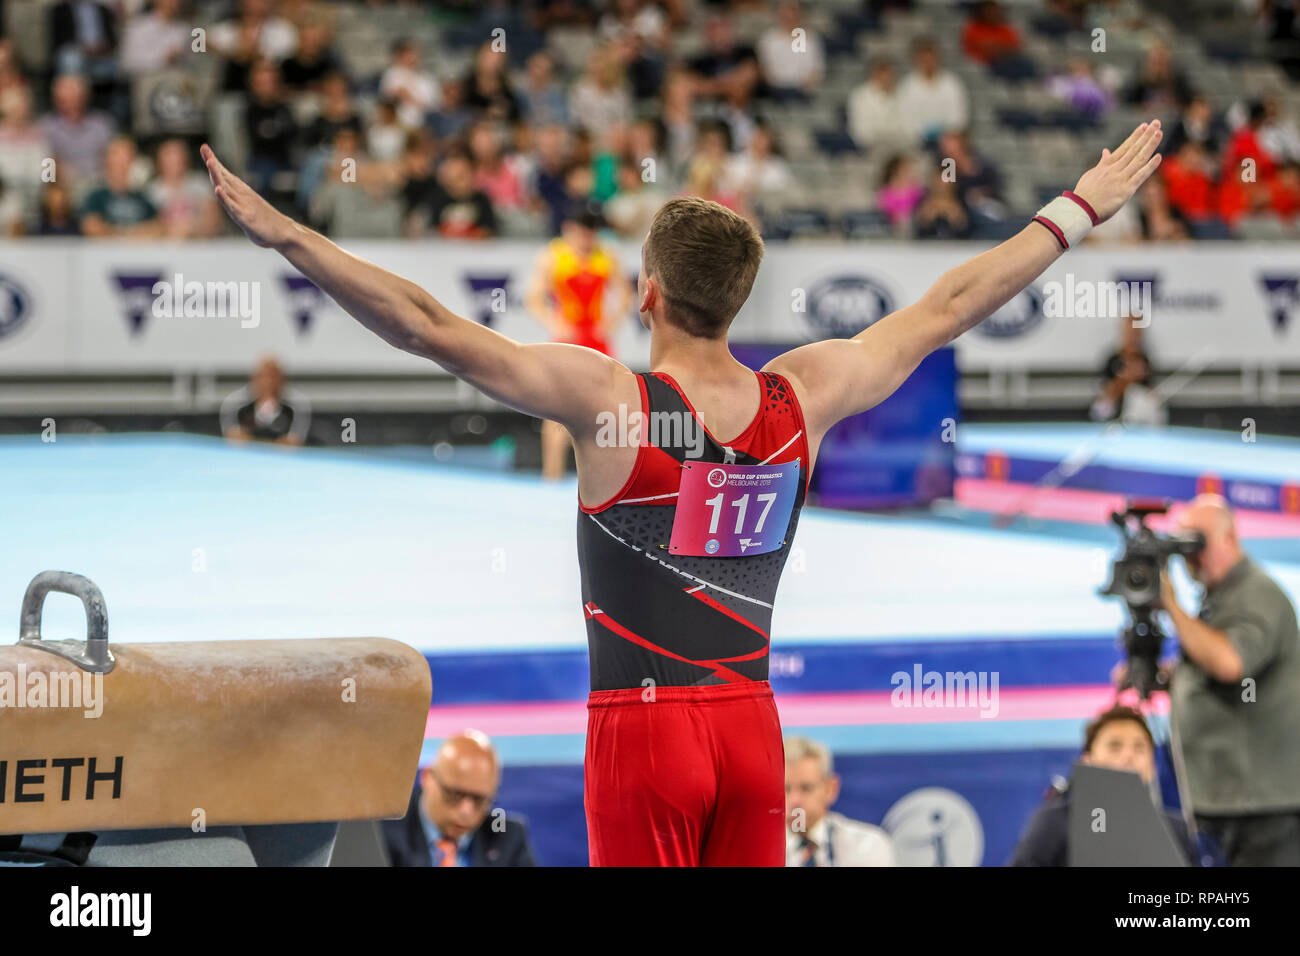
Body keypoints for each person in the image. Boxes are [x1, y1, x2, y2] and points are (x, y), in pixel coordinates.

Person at [201, 117, 1166, 866]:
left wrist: (290, 235)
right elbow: (950, 306)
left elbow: (426, 326)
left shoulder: (610, 400)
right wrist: (1076, 207)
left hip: (645, 729)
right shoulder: (805, 395)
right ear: (738, 298)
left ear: (648, 292)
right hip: (753, 728)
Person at [1159, 495, 1300, 866]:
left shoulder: (1257, 592)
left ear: (1230, 539)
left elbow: (1231, 662)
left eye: (1199, 543)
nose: (1192, 556)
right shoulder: (1219, 597)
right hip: (1236, 803)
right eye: (1184, 546)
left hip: (1264, 809)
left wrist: (1171, 607)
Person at [1008, 704, 1197, 866]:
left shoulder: (1175, 830)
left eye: (1140, 748)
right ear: (1087, 760)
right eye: (1115, 746)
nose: (1128, 756)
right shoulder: (1056, 821)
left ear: (1153, 767)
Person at [525, 201, 633, 481]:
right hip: (567, 341)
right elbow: (533, 298)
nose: (588, 237)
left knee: (607, 411)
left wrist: (612, 322)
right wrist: (554, 322)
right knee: (556, 409)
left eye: (593, 231)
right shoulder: (553, 256)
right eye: (584, 231)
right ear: (570, 229)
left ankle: (608, 480)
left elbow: (625, 293)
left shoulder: (606, 256)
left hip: (598, 341)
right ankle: (552, 478)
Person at [382, 732, 537, 867]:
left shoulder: (507, 836)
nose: (466, 811)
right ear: (427, 777)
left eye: (480, 800)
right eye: (454, 794)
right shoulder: (382, 832)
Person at [784, 736, 896, 866]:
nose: (795, 800)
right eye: (785, 789)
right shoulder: (758, 849)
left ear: (830, 789)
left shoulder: (868, 846)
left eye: (806, 788)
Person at [220, 355, 311, 445]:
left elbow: (292, 444)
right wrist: (272, 444)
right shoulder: (235, 404)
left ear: (283, 379)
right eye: (263, 376)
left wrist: (253, 442)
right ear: (254, 378)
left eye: (273, 376)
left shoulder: (297, 406)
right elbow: (235, 440)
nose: (268, 382)